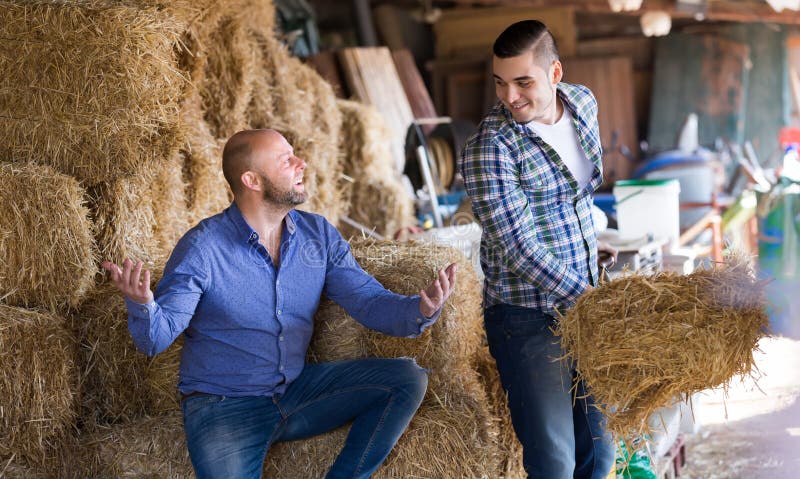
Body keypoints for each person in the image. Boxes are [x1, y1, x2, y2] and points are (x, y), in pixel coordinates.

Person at [102, 128, 458, 479]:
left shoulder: (318, 236)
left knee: (407, 379)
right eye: (286, 159)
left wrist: (420, 309)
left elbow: (367, 300)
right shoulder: (203, 248)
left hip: (296, 391)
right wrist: (143, 304)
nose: (301, 163)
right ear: (252, 180)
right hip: (225, 408)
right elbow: (155, 339)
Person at [459, 20, 616, 479]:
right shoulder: (490, 148)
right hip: (526, 318)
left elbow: (578, 197)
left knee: (601, 455)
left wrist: (591, 258)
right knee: (554, 461)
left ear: (555, 73)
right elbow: (519, 248)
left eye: (523, 81)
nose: (510, 96)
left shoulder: (584, 104)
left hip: (584, 302)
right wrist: (592, 299)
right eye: (500, 83)